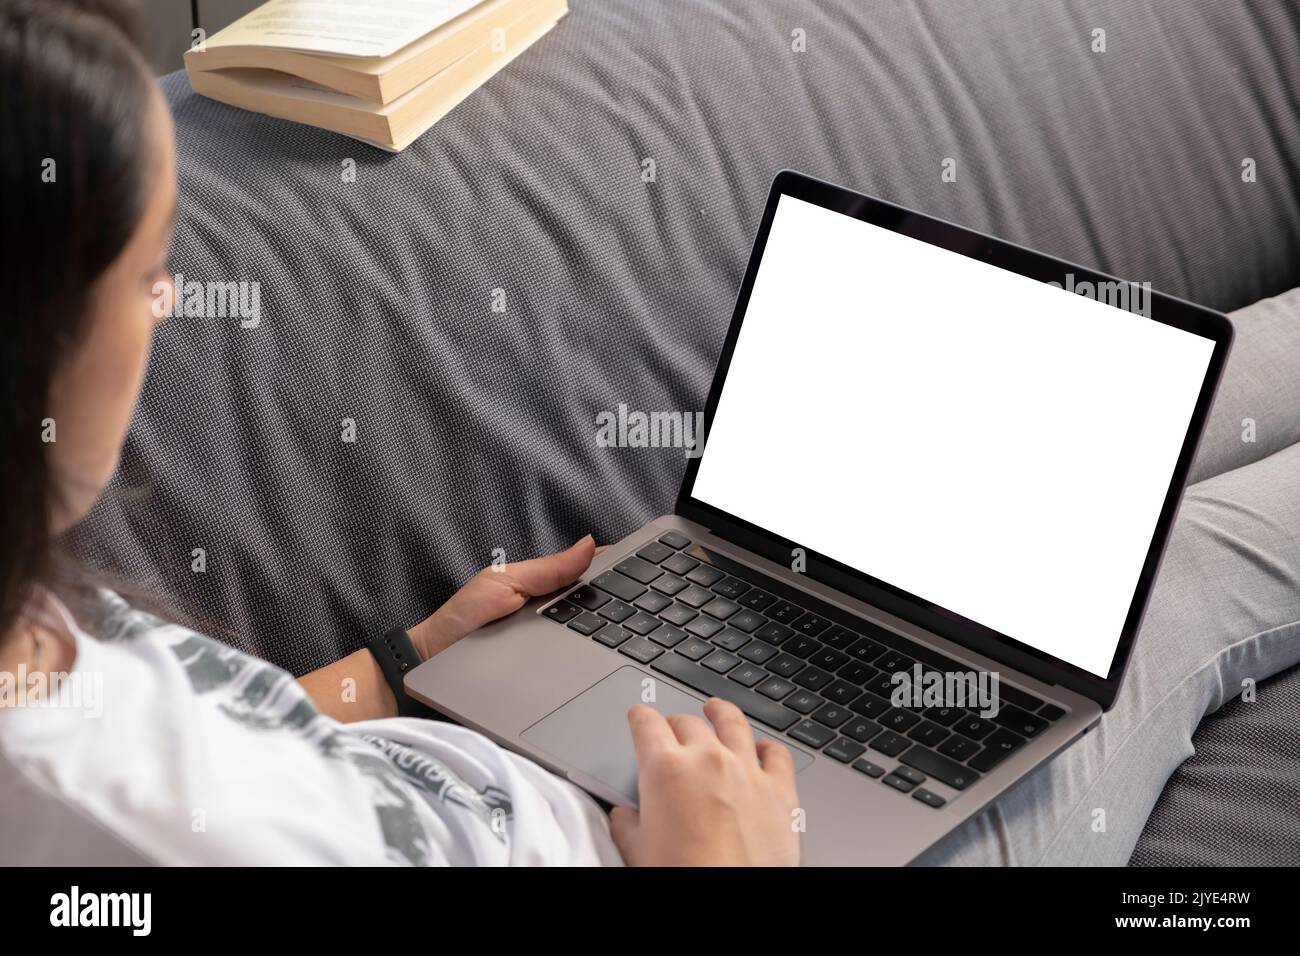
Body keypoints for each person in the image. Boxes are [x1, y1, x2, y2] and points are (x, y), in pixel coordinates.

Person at [0, 0, 799, 866]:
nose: (172, 304)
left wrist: (414, 659)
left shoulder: (27, 608)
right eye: (151, 272)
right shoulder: (103, 821)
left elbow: (228, 735)